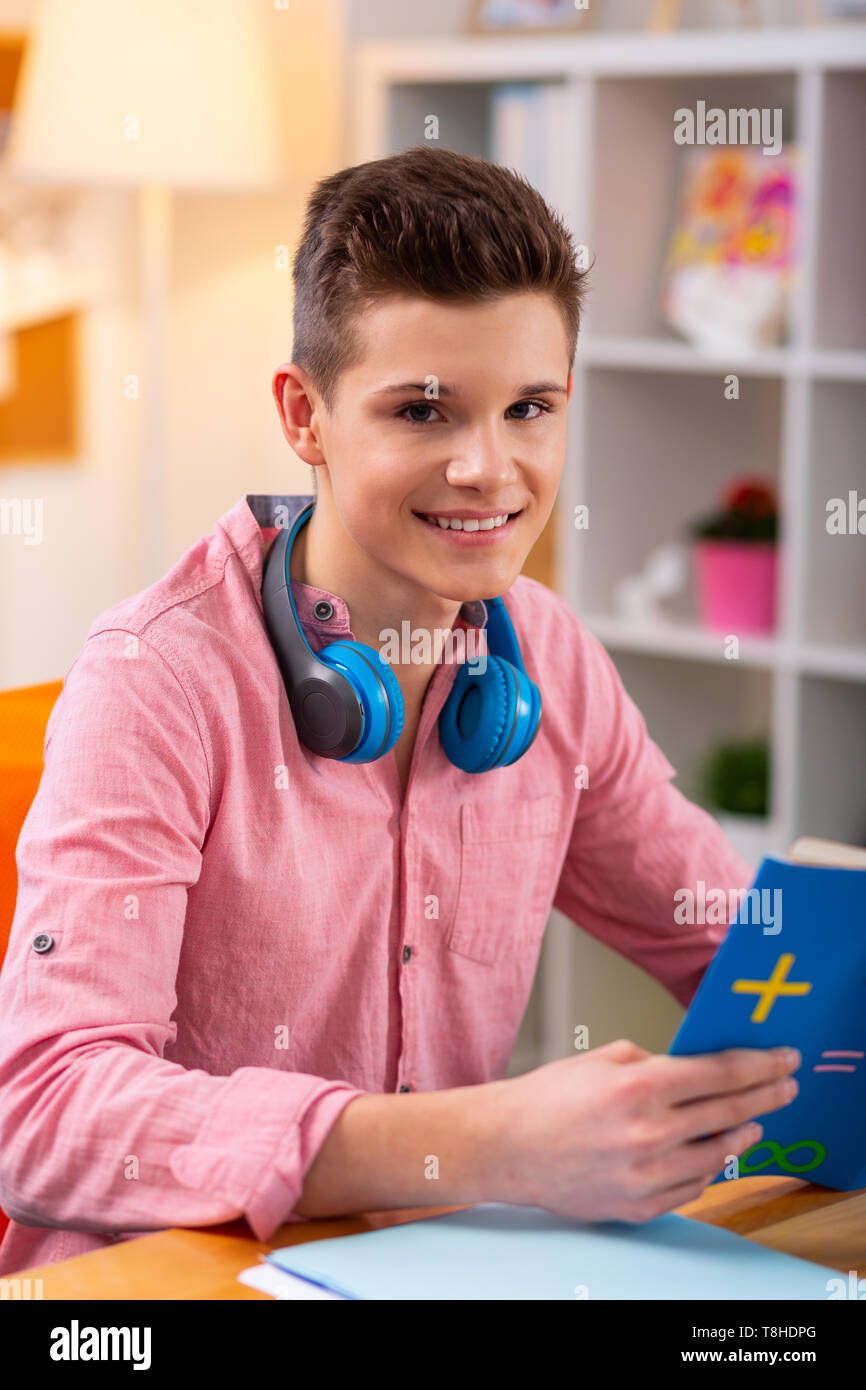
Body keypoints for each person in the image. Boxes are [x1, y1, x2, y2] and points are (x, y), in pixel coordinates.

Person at [0, 146, 799, 1276]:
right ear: (304, 415)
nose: (489, 467)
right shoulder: (155, 680)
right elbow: (44, 1113)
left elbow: (740, 947)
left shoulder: (551, 661)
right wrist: (484, 1143)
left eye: (529, 407)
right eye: (423, 410)